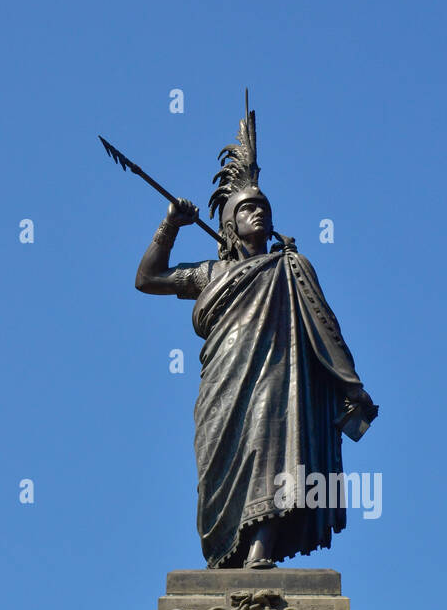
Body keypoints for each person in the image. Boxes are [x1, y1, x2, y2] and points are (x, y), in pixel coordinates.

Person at [135, 101, 376, 569]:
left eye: (263, 207)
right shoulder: (209, 274)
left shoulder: (291, 267)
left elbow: (325, 326)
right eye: (247, 208)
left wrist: (351, 385)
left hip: (275, 373)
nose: (259, 214)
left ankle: (261, 551)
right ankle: (227, 557)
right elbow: (148, 278)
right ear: (229, 223)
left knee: (274, 445)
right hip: (222, 383)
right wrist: (170, 225)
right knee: (217, 467)